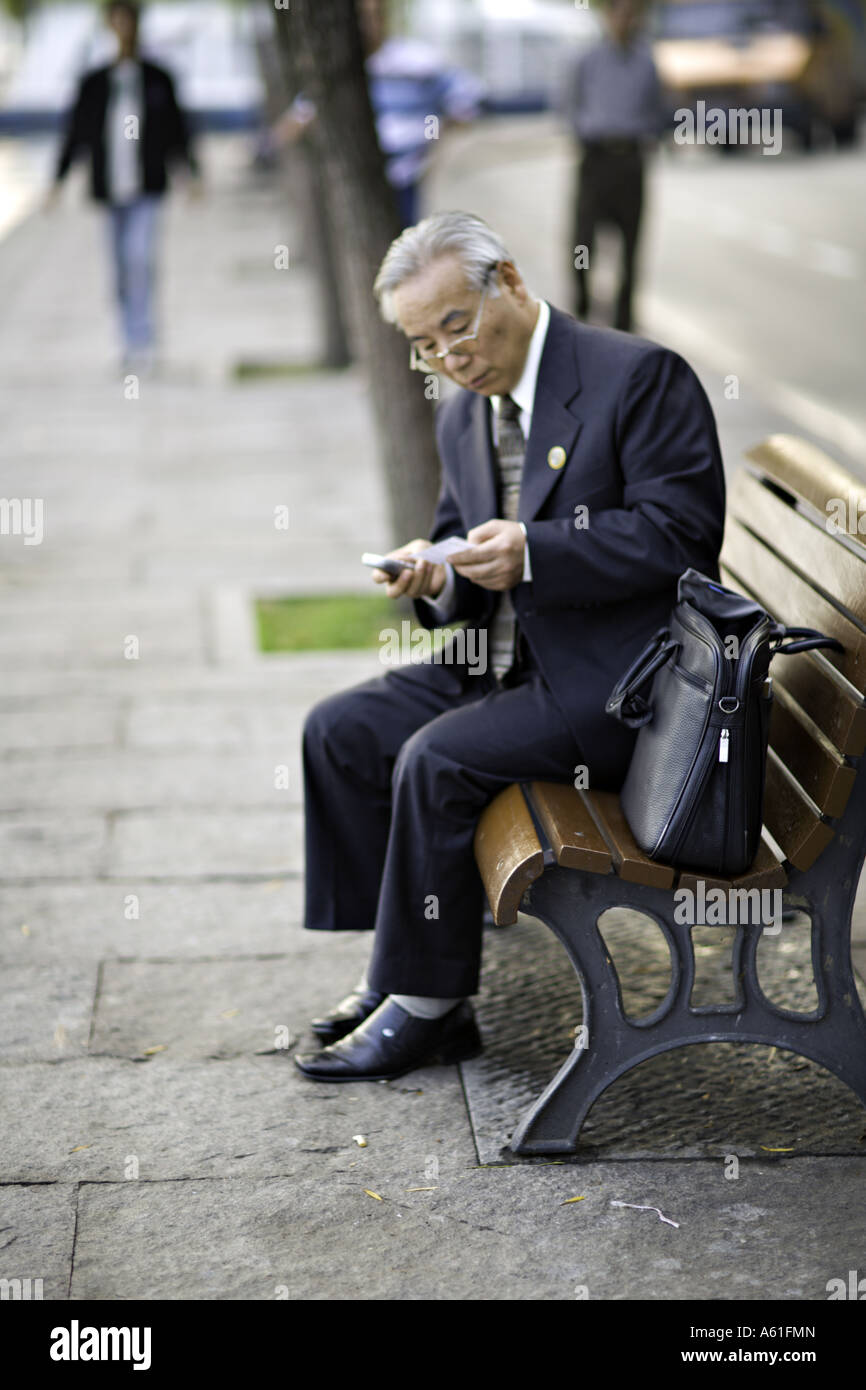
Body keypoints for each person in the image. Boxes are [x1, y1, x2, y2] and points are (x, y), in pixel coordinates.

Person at [294, 211, 725, 1084]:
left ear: (513, 284)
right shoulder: (465, 416)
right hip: (503, 667)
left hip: (616, 689)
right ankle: (397, 965)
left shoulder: (636, 377)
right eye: (425, 346)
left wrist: (540, 551)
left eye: (457, 327)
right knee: (338, 731)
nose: (449, 358)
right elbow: (461, 547)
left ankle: (428, 1002)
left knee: (436, 760)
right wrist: (436, 575)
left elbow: (682, 538)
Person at [45, 0, 200, 370]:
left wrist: (190, 174)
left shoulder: (158, 79)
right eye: (116, 21)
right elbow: (76, 135)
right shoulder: (95, 82)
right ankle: (127, 341)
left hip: (147, 187)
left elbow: (177, 130)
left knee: (140, 261)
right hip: (111, 189)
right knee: (118, 268)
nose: (123, 28)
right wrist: (57, 182)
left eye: (128, 20)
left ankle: (145, 340)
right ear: (109, 26)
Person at [268, 0, 482, 229]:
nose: (365, 25)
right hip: (354, 176)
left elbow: (465, 99)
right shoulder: (338, 68)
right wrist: (266, 146)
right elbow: (303, 114)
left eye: (371, 16)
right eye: (360, 17)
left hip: (410, 170)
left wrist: (435, 138)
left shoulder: (418, 62)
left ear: (383, 19)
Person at [560, 0, 665, 332]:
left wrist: (647, 135)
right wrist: (583, 132)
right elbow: (567, 105)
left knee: (631, 246)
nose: (624, 20)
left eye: (631, 13)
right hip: (595, 158)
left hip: (631, 161)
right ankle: (581, 310)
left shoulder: (646, 62)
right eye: (618, 12)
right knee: (582, 241)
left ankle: (624, 320)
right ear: (607, 17)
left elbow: (659, 109)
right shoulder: (587, 60)